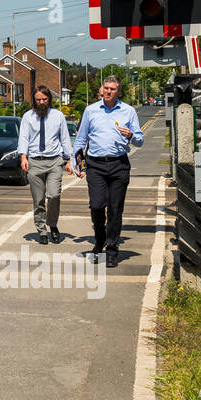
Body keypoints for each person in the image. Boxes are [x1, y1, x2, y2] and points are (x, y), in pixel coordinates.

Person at [72, 75, 144, 268]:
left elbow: (140, 139)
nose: (108, 91)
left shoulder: (128, 111)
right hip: (95, 165)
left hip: (119, 164)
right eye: (106, 88)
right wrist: (75, 160)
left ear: (118, 91)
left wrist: (131, 135)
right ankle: (100, 238)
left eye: (112, 89)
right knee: (96, 205)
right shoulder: (91, 110)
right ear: (102, 89)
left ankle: (112, 250)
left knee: (114, 209)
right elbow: (81, 138)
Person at [17, 85, 74, 244]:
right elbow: (24, 138)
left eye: (44, 99)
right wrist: (23, 157)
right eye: (38, 100)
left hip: (54, 161)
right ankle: (41, 230)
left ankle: (53, 224)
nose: (41, 102)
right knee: (39, 200)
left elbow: (64, 138)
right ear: (34, 101)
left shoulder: (58, 116)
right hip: (35, 162)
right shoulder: (27, 117)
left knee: (54, 195)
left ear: (49, 99)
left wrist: (70, 159)